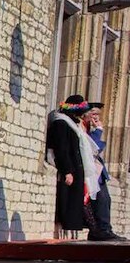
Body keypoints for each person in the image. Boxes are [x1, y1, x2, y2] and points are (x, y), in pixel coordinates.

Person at [45, 94, 100, 238]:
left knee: (74, 204)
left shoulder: (71, 124)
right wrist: (67, 171)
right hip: (70, 171)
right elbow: (62, 149)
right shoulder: (61, 123)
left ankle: (81, 231)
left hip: (76, 170)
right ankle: (64, 234)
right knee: (66, 204)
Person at [82, 102, 124, 241]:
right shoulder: (81, 126)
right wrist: (98, 130)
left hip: (97, 172)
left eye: (98, 115)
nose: (95, 117)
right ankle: (101, 230)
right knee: (100, 200)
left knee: (105, 200)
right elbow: (91, 148)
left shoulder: (88, 128)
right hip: (90, 171)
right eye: (93, 113)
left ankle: (104, 229)